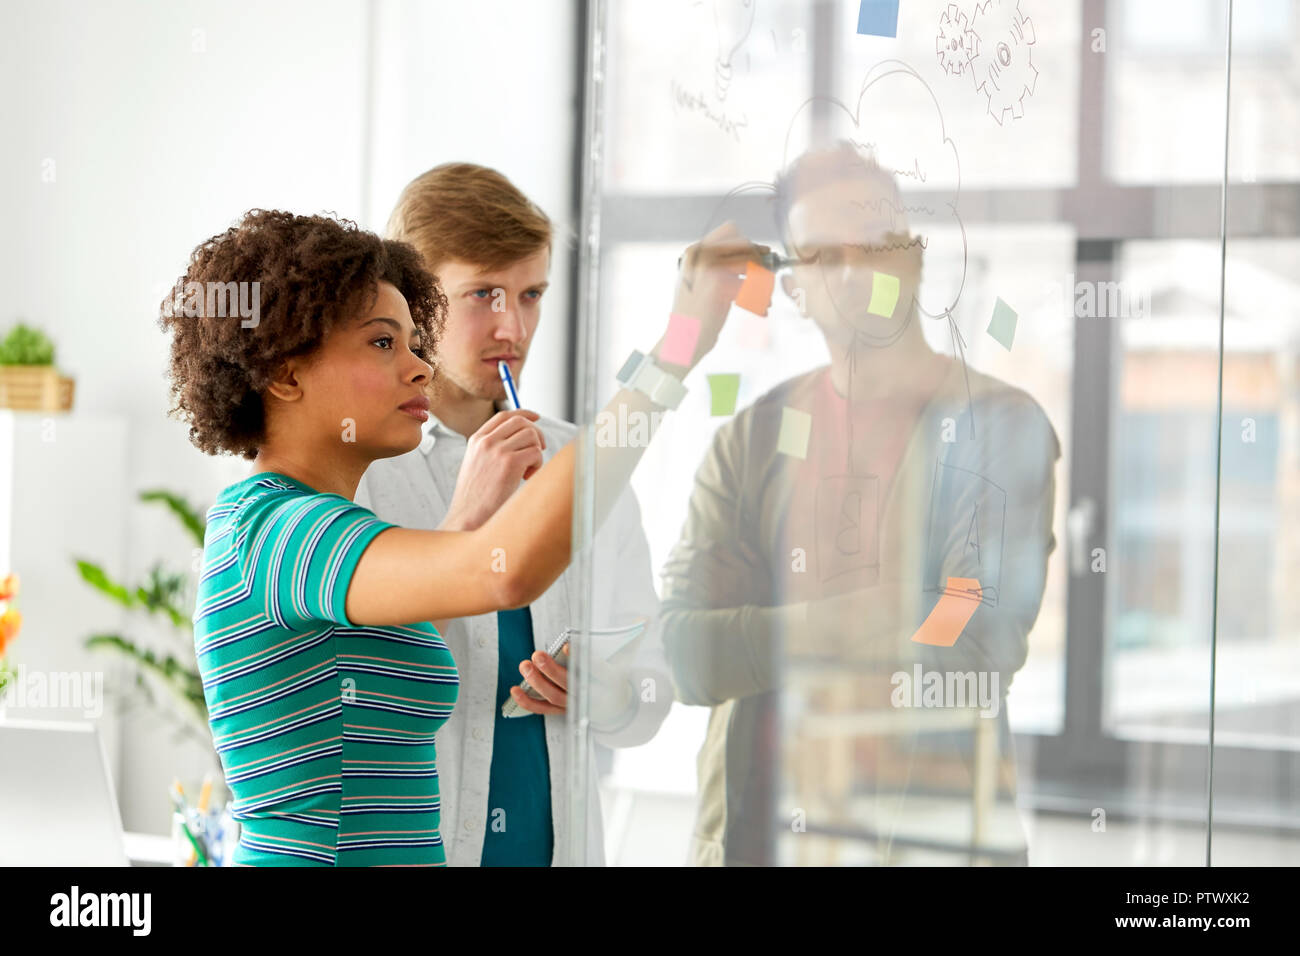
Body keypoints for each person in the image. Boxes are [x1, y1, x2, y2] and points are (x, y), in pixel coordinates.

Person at [163, 207, 757, 865]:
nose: (419, 367)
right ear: (286, 374)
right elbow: (503, 573)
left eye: (416, 343)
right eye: (383, 343)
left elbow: (459, 578)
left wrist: (469, 519)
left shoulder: (342, 532)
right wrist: (676, 349)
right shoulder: (273, 530)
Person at [659, 142, 1060, 866]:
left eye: (877, 245)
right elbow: (687, 654)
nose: (855, 272)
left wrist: (762, 636)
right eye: (823, 256)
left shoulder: (999, 426)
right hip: (755, 839)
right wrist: (889, 610)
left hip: (929, 840)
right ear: (792, 288)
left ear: (914, 257)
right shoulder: (749, 441)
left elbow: (971, 644)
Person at [355, 163, 671, 866]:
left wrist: (609, 691)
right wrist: (471, 513)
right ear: (413, 303)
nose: (514, 326)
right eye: (483, 295)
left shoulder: (582, 467)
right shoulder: (362, 473)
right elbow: (361, 699)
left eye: (531, 294)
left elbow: (654, 684)